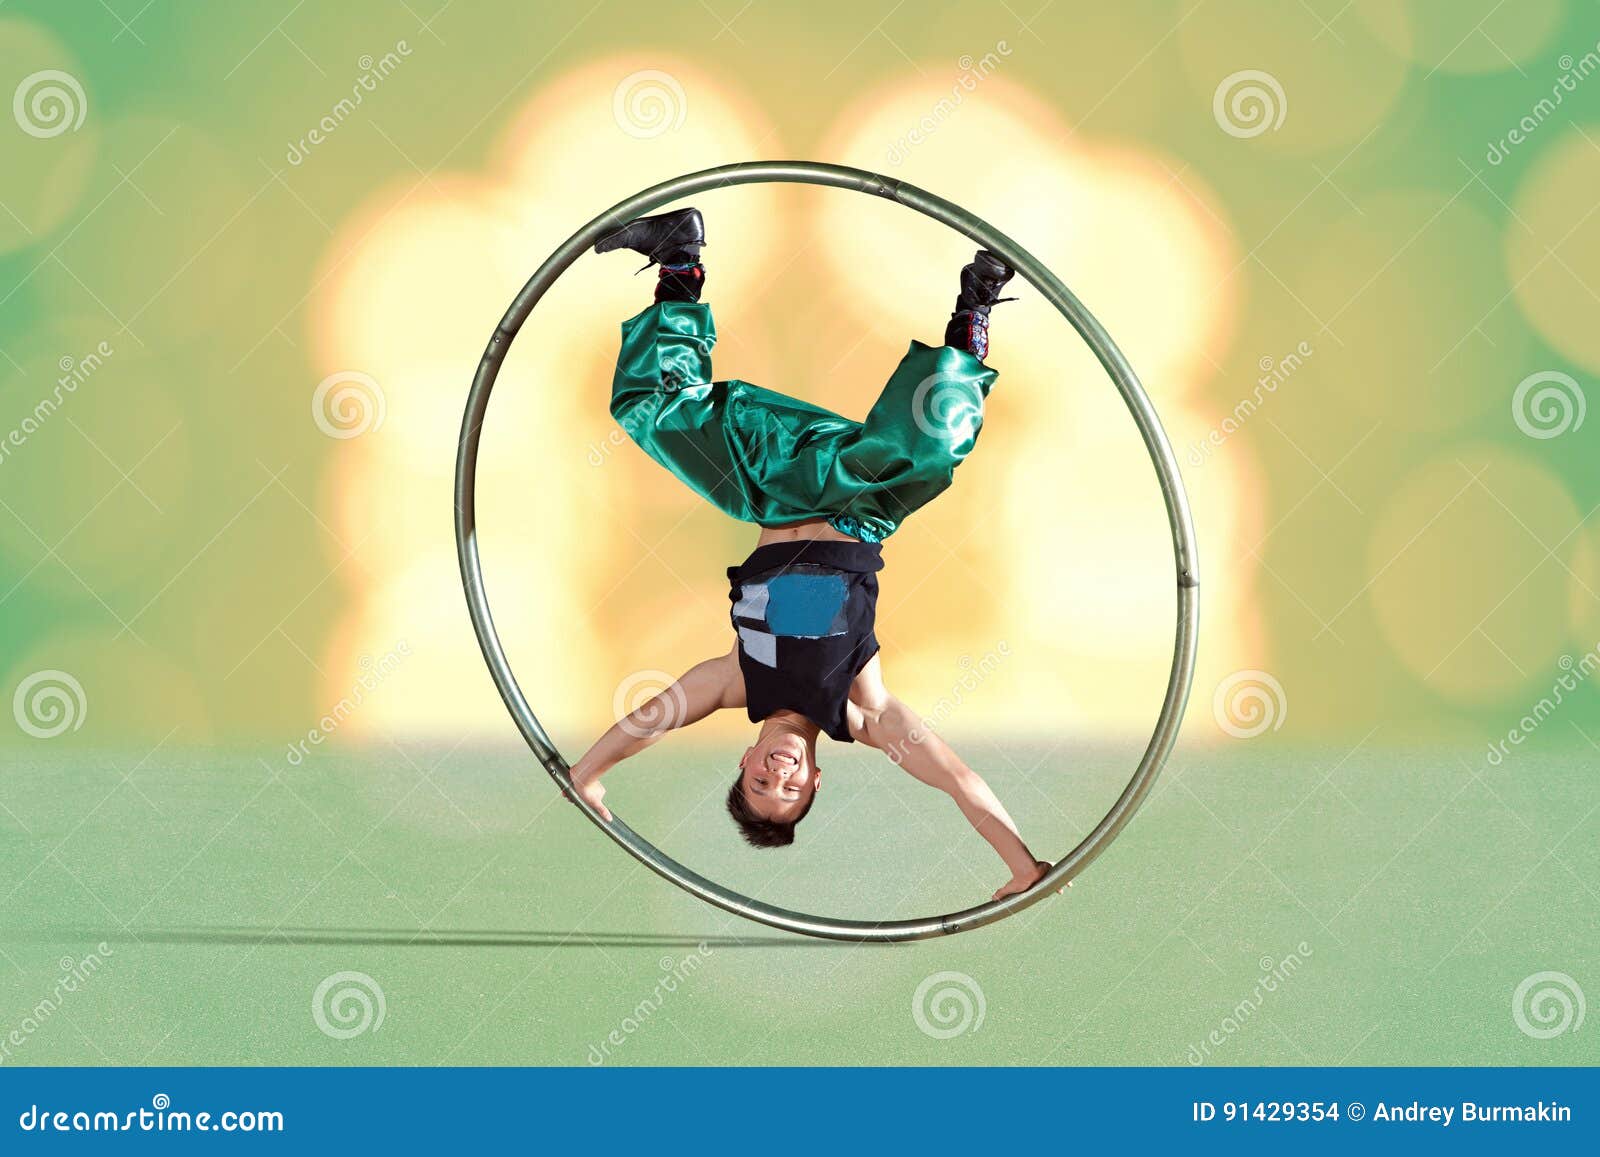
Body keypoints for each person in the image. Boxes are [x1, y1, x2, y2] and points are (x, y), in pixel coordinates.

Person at [568, 207, 1050, 900]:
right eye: (790, 791)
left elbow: (652, 718)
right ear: (815, 781)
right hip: (862, 497)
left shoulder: (736, 681)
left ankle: (679, 255)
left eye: (759, 782)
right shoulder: (863, 709)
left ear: (745, 759)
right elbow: (957, 780)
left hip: (774, 486)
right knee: (936, 446)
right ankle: (978, 297)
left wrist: (588, 772)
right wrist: (1022, 867)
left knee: (650, 408)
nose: (779, 776)